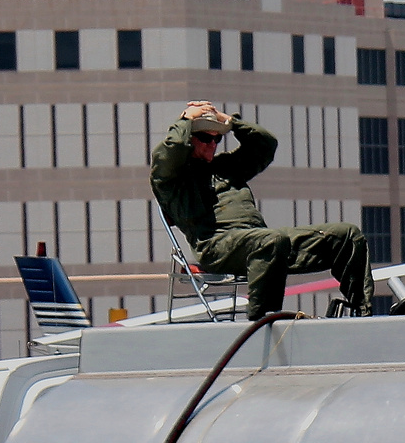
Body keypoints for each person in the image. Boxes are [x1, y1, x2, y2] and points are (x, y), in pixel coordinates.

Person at [151, 101, 373, 319]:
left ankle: (362, 313)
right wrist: (187, 118)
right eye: (205, 138)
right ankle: (265, 320)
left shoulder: (226, 168)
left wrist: (228, 120)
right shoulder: (171, 179)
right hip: (217, 246)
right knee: (270, 241)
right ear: (189, 139)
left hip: (261, 243)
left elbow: (265, 145)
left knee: (347, 236)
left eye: (217, 138)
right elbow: (171, 150)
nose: (213, 144)